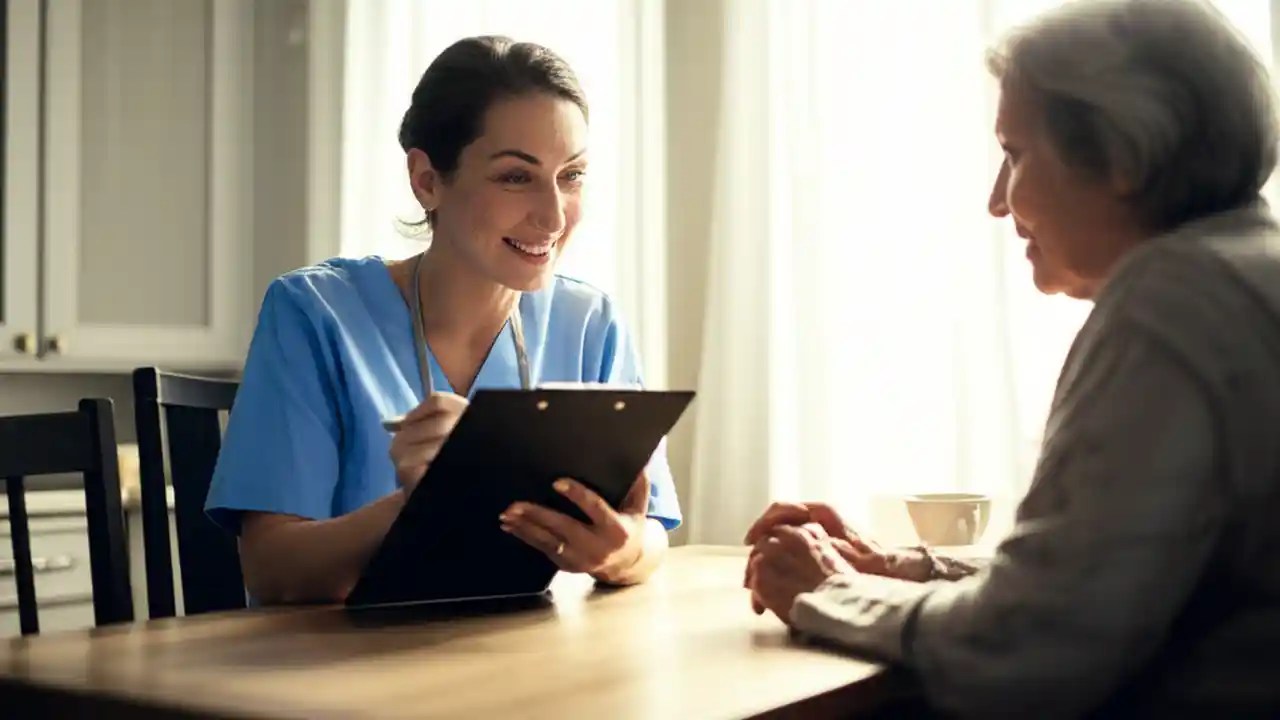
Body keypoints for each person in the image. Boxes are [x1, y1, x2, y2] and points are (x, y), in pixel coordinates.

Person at [744, 1, 1280, 717]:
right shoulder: (1247, 273)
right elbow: (1107, 580)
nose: (999, 203)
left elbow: (1031, 646)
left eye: (1015, 154)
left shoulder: (1172, 298)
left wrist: (826, 591)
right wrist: (895, 568)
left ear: (1122, 154)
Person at [206, 36, 680, 605]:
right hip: (337, 675)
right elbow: (273, 572)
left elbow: (651, 529)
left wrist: (622, 551)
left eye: (571, 176)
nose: (553, 216)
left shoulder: (591, 325)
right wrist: (423, 501)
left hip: (518, 669)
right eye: (515, 177)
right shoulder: (315, 314)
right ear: (427, 179)